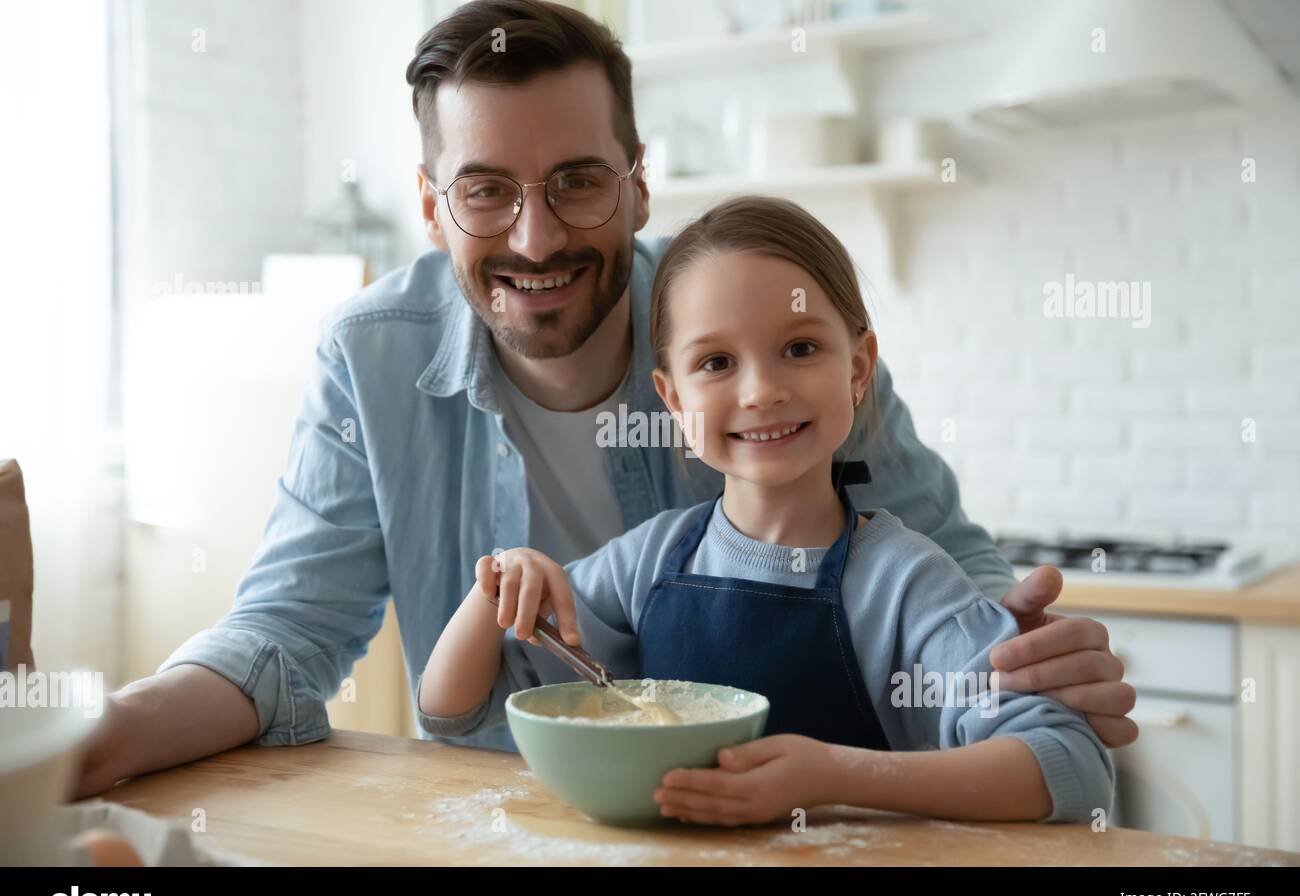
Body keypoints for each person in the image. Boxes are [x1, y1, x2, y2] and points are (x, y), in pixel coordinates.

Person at [73, 0, 1134, 799]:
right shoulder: (367, 359)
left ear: (636, 181)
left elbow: (946, 564)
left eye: (578, 180)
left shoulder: (758, 319)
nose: (536, 238)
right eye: (487, 189)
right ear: (433, 207)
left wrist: (1018, 657)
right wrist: (95, 737)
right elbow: (289, 631)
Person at [420, 196, 1114, 826]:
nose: (760, 391)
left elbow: (1070, 766)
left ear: (858, 367)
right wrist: (497, 585)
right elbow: (452, 709)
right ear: (674, 401)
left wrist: (838, 775)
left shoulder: (905, 585)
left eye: (800, 348)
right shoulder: (648, 563)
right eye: (717, 362)